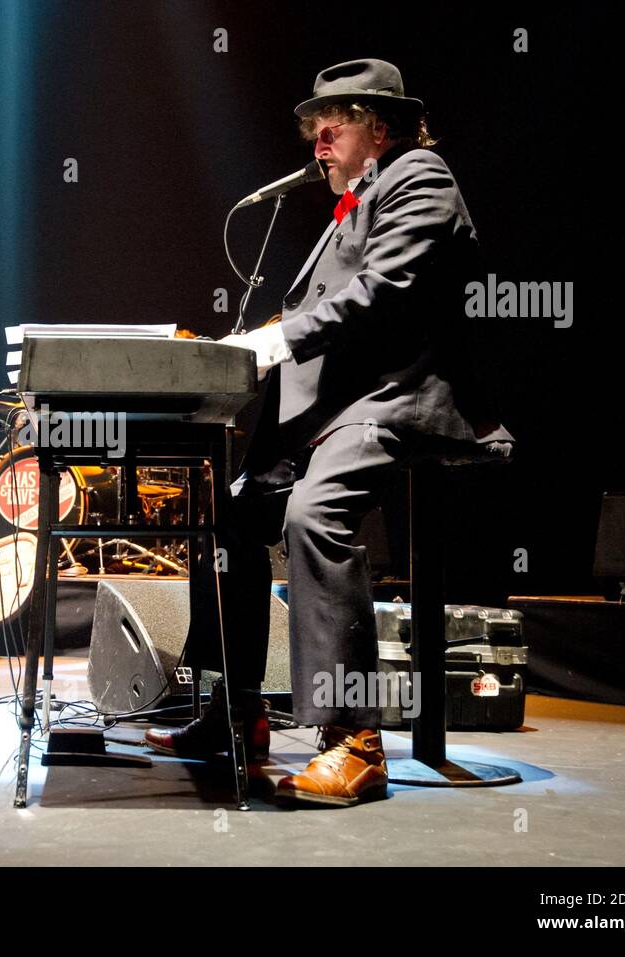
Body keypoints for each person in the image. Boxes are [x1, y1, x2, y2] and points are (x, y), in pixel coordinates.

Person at [144, 59, 514, 807]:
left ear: (379, 128)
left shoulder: (422, 177)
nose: (318, 136)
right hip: (329, 412)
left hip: (399, 400)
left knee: (318, 516)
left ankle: (353, 741)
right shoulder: (353, 202)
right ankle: (232, 712)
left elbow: (380, 296)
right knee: (231, 519)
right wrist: (240, 350)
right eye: (313, 124)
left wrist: (278, 339)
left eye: (333, 122)